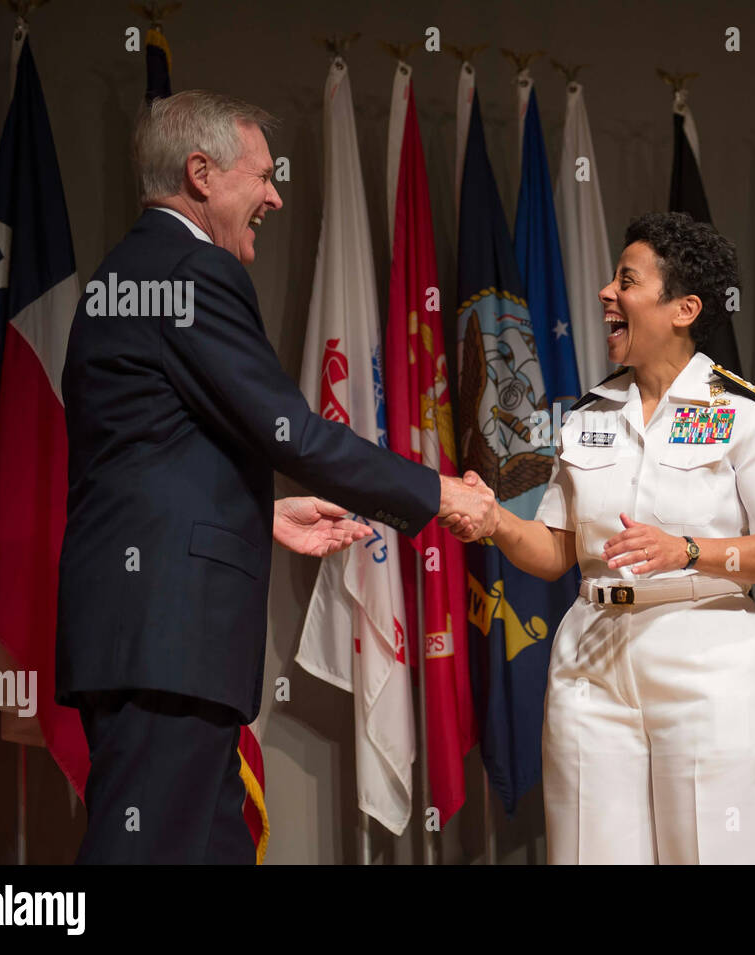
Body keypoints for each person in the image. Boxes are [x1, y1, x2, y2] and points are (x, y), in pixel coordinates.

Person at [56, 90, 494, 864]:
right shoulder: (190, 270)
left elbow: (144, 454)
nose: (275, 194)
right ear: (200, 173)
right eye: (261, 175)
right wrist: (439, 492)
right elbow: (293, 430)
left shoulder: (126, 275)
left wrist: (261, 512)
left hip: (151, 634)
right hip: (168, 641)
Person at [451, 212, 755, 864]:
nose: (605, 294)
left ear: (684, 308)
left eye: (627, 280)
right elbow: (559, 550)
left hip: (707, 658)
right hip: (590, 662)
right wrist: (498, 522)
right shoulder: (587, 417)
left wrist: (690, 550)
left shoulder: (742, 412)